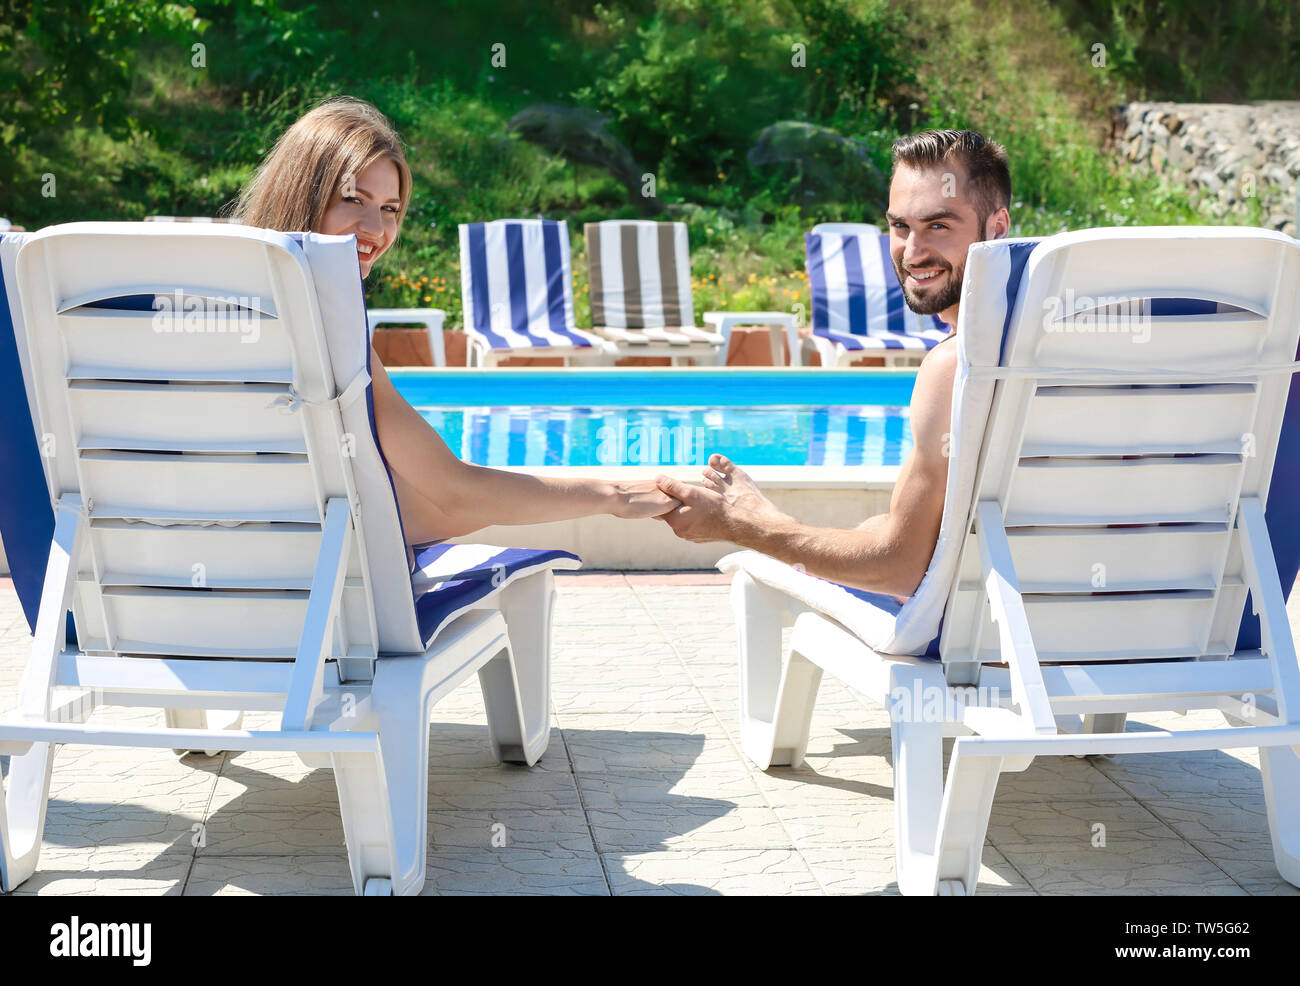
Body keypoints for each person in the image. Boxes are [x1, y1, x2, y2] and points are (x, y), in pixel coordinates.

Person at [230, 97, 677, 544]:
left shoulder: (204, 318)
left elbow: (424, 505)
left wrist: (587, 498)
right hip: (312, 594)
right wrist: (614, 496)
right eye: (354, 199)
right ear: (301, 197)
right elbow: (456, 493)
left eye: (390, 208)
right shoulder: (332, 337)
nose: (377, 228)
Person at [655, 129, 1011, 598]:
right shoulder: (1060, 349)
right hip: (1098, 631)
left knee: (757, 577)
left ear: (997, 228)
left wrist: (743, 525)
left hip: (981, 637)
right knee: (874, 525)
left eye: (939, 226)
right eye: (901, 226)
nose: (913, 252)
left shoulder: (955, 367)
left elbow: (898, 569)